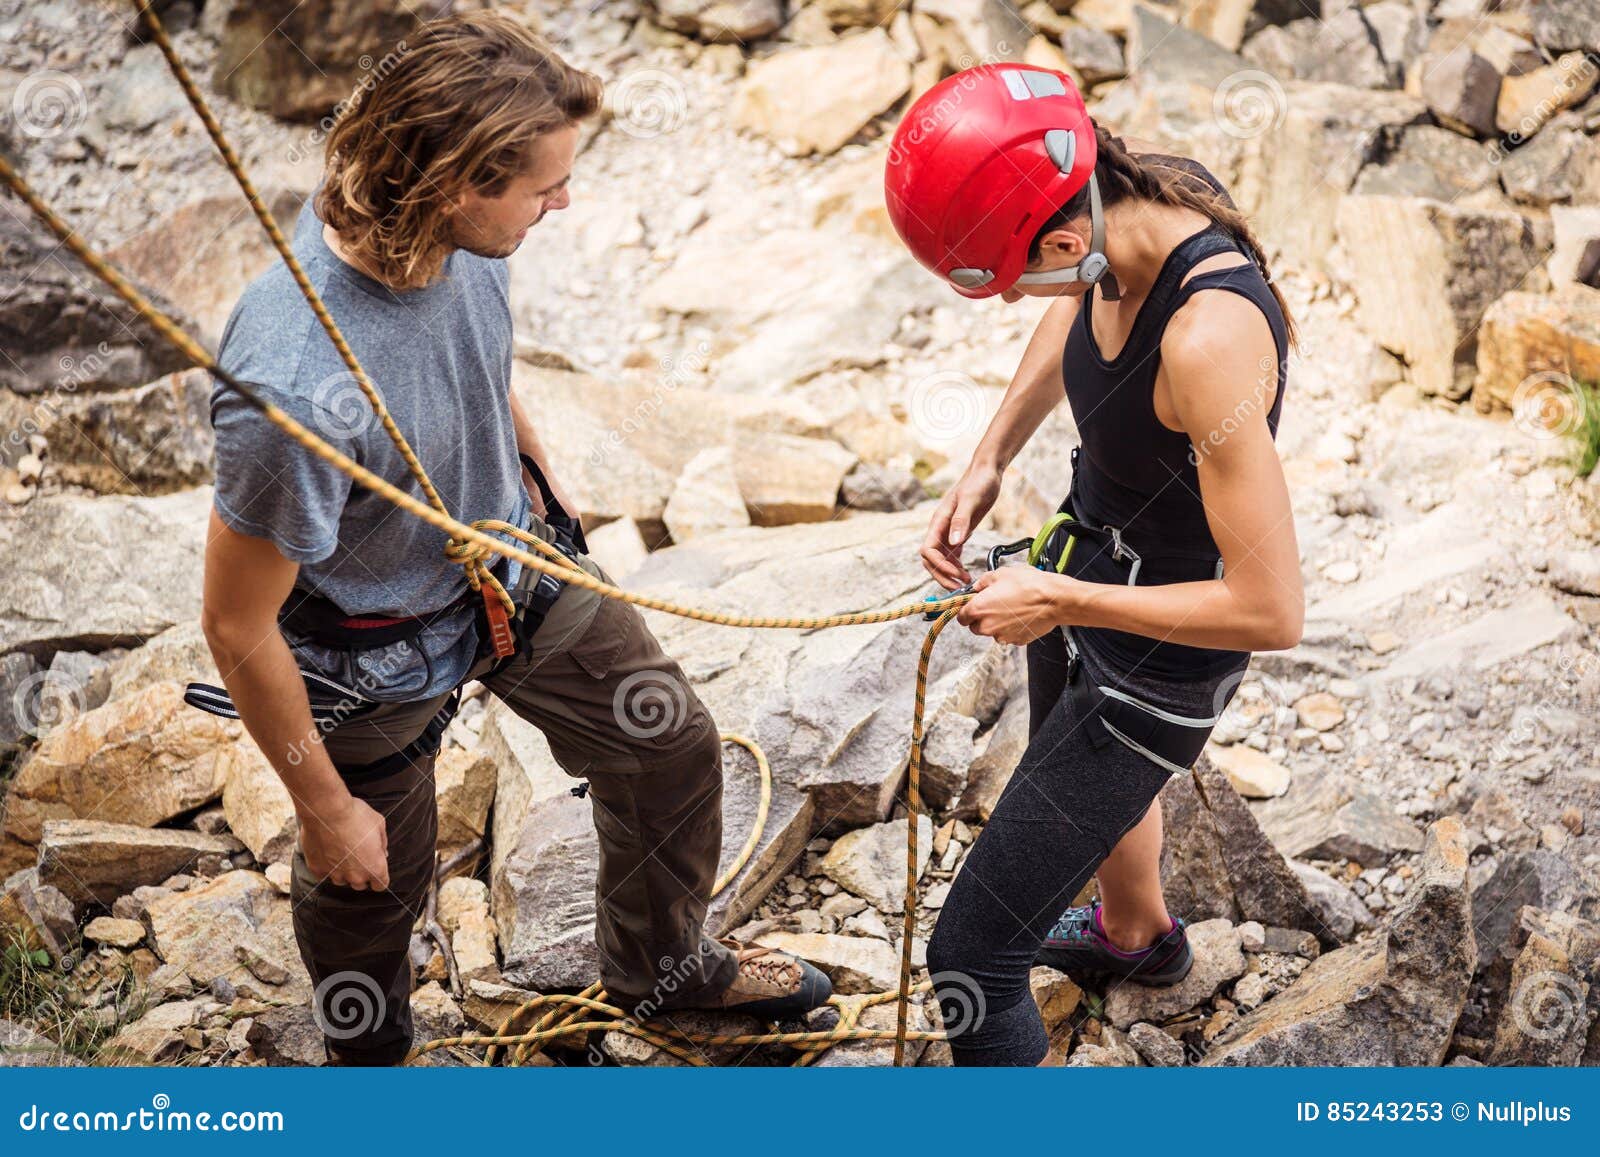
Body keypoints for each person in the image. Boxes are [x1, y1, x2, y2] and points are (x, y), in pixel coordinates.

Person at [197, 11, 827, 1065]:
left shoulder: (459, 233)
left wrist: (539, 482)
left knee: (667, 746)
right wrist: (318, 801)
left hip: (502, 559)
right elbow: (233, 621)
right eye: (543, 187)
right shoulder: (291, 384)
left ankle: (665, 972)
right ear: (453, 181)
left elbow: (474, 360)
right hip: (365, 642)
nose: (563, 202)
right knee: (367, 877)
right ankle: (373, 1061)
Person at [884, 64, 1304, 1066]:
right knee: (1078, 785)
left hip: (1159, 659)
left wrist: (1057, 594)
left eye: (1012, 275)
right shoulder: (1127, 197)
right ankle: (1138, 938)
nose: (1016, 298)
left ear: (1066, 237)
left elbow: (1272, 607)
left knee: (971, 955)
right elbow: (1071, 305)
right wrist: (990, 456)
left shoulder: (1208, 339)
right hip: (1082, 572)